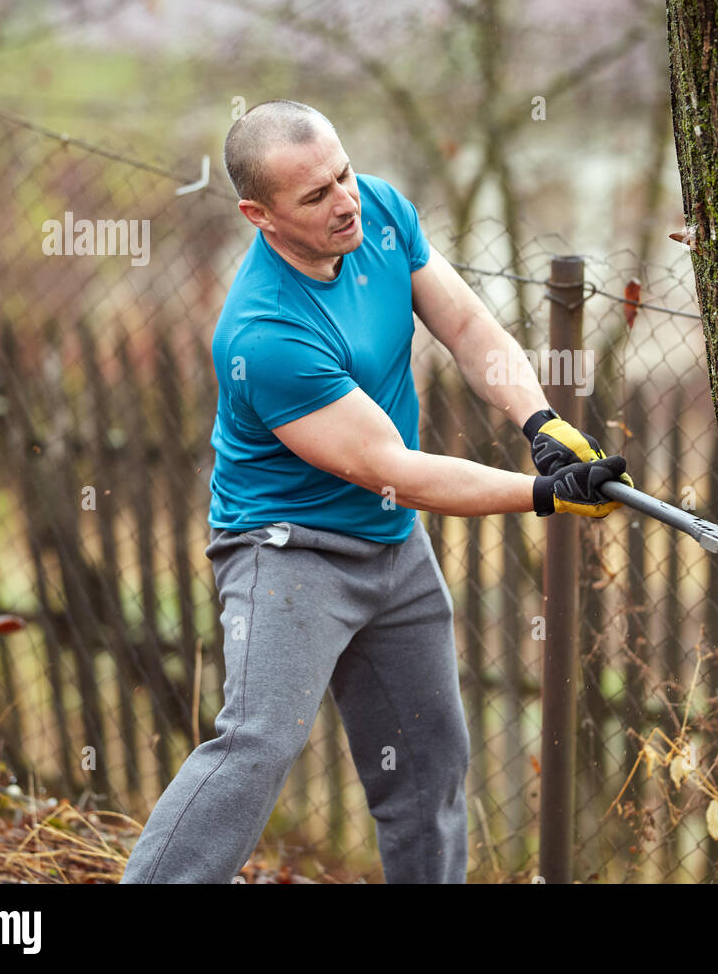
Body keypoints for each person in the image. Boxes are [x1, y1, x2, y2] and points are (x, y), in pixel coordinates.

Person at [120, 99, 632, 884]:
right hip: (290, 555)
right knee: (259, 743)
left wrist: (538, 418)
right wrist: (545, 495)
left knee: (428, 764)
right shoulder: (265, 334)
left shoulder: (383, 215)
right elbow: (394, 468)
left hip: (392, 548)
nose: (345, 200)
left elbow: (464, 325)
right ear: (259, 215)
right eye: (315, 195)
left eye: (344, 173)